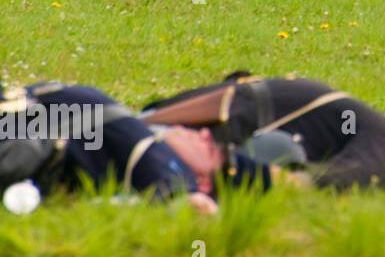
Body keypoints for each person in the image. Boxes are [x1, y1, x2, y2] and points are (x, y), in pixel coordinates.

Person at [144, 75, 385, 190]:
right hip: (225, 107)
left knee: (102, 122)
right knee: (105, 121)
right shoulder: (382, 131)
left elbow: (350, 177)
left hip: (214, 133)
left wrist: (246, 173)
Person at [0, 82, 222, 213]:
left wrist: (188, 194)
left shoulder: (152, 154)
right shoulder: (133, 140)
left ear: (203, 182)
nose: (204, 134)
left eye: (210, 148)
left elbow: (194, 203)